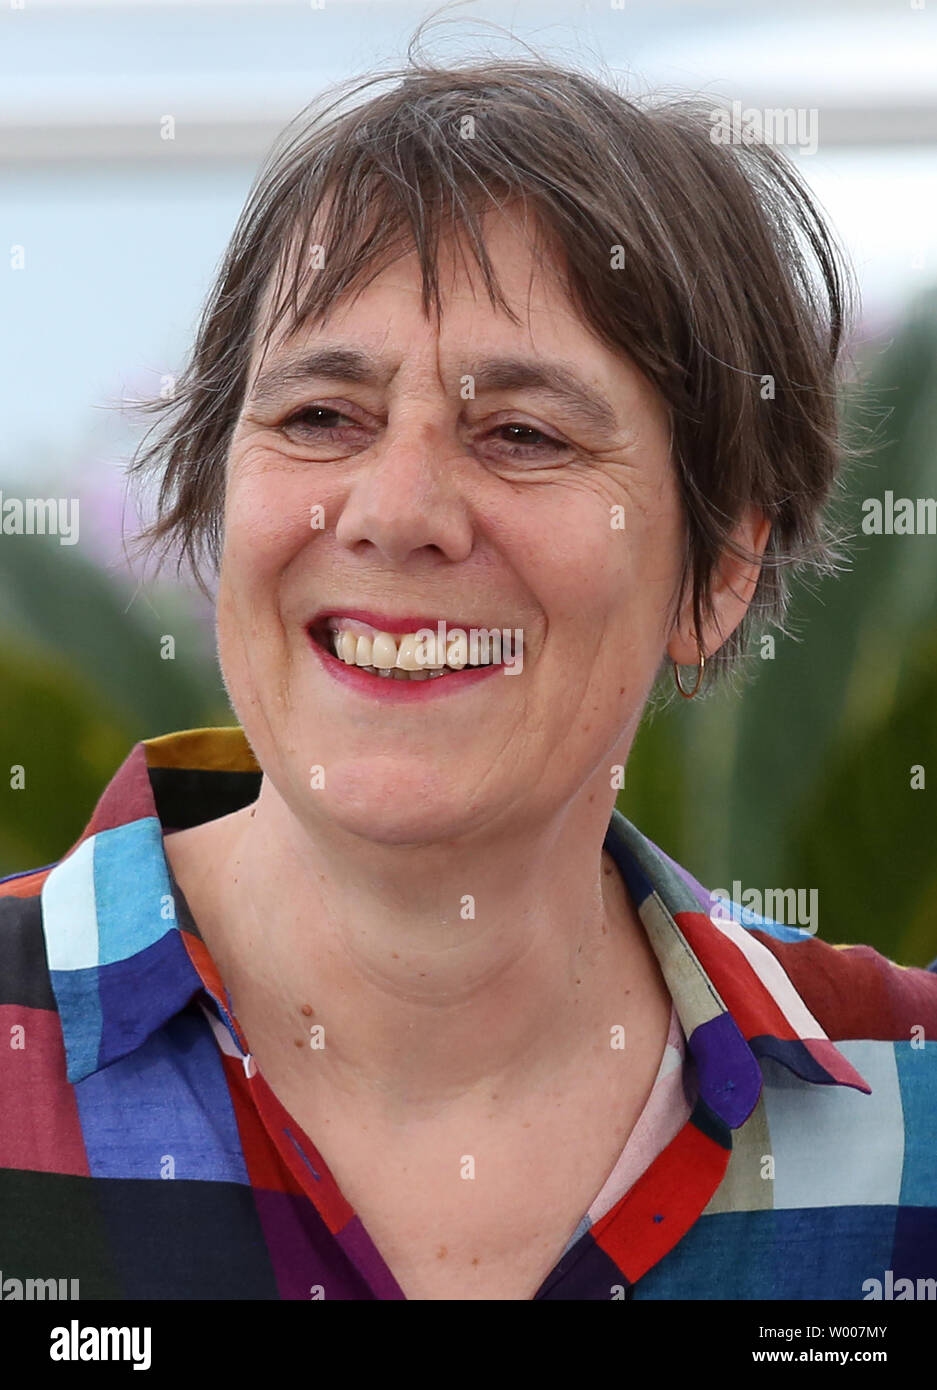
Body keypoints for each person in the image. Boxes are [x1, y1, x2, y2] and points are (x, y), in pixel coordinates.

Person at [1, 50, 935, 1303]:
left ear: (717, 570)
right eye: (321, 416)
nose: (398, 511)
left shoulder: (907, 1109)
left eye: (523, 434)